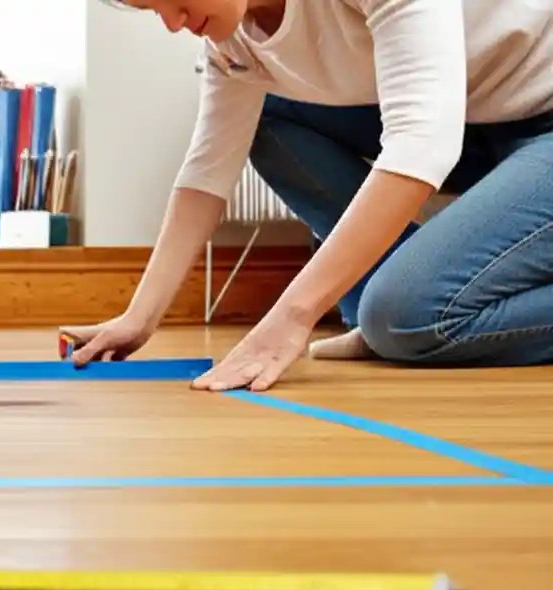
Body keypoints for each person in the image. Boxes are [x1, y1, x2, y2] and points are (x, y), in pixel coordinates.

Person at [62, 0, 553, 392]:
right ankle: (381, 307)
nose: (173, 23)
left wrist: (291, 317)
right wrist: (140, 316)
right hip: (479, 125)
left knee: (407, 320)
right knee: (270, 117)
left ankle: (400, 316)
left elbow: (421, 143)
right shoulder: (234, 41)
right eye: (152, 11)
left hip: (535, 117)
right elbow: (208, 169)